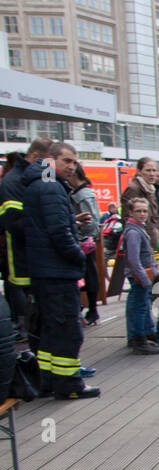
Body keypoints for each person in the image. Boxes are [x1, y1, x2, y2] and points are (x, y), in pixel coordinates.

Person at [23, 142, 98, 398]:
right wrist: (78, 257)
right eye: (67, 161)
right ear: (49, 159)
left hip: (44, 271)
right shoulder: (51, 187)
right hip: (57, 271)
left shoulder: (38, 184)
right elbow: (58, 232)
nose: (72, 167)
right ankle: (69, 385)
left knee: (50, 329)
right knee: (67, 330)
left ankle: (47, 380)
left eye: (74, 162)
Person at [0, 137, 53, 346]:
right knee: (32, 308)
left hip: (41, 254)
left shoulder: (43, 173)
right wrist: (47, 229)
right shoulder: (13, 182)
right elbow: (13, 221)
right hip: (24, 256)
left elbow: (52, 202)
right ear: (34, 157)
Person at [121, 197, 159, 354]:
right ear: (130, 212)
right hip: (140, 275)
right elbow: (133, 258)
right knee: (140, 307)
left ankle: (142, 335)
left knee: (140, 305)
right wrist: (145, 280)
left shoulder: (138, 229)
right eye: (138, 211)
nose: (142, 214)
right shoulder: (133, 232)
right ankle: (139, 339)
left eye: (145, 211)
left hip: (142, 274)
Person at [70, 163, 102, 327]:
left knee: (88, 274)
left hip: (83, 241)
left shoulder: (83, 194)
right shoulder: (78, 193)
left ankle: (92, 309)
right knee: (86, 274)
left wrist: (79, 230)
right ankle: (89, 309)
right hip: (82, 240)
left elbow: (90, 222)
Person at [119, 157, 159, 245]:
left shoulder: (151, 189)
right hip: (141, 240)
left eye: (154, 170)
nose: (152, 174)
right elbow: (127, 218)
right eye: (148, 170)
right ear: (139, 171)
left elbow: (156, 218)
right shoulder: (134, 189)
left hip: (154, 239)